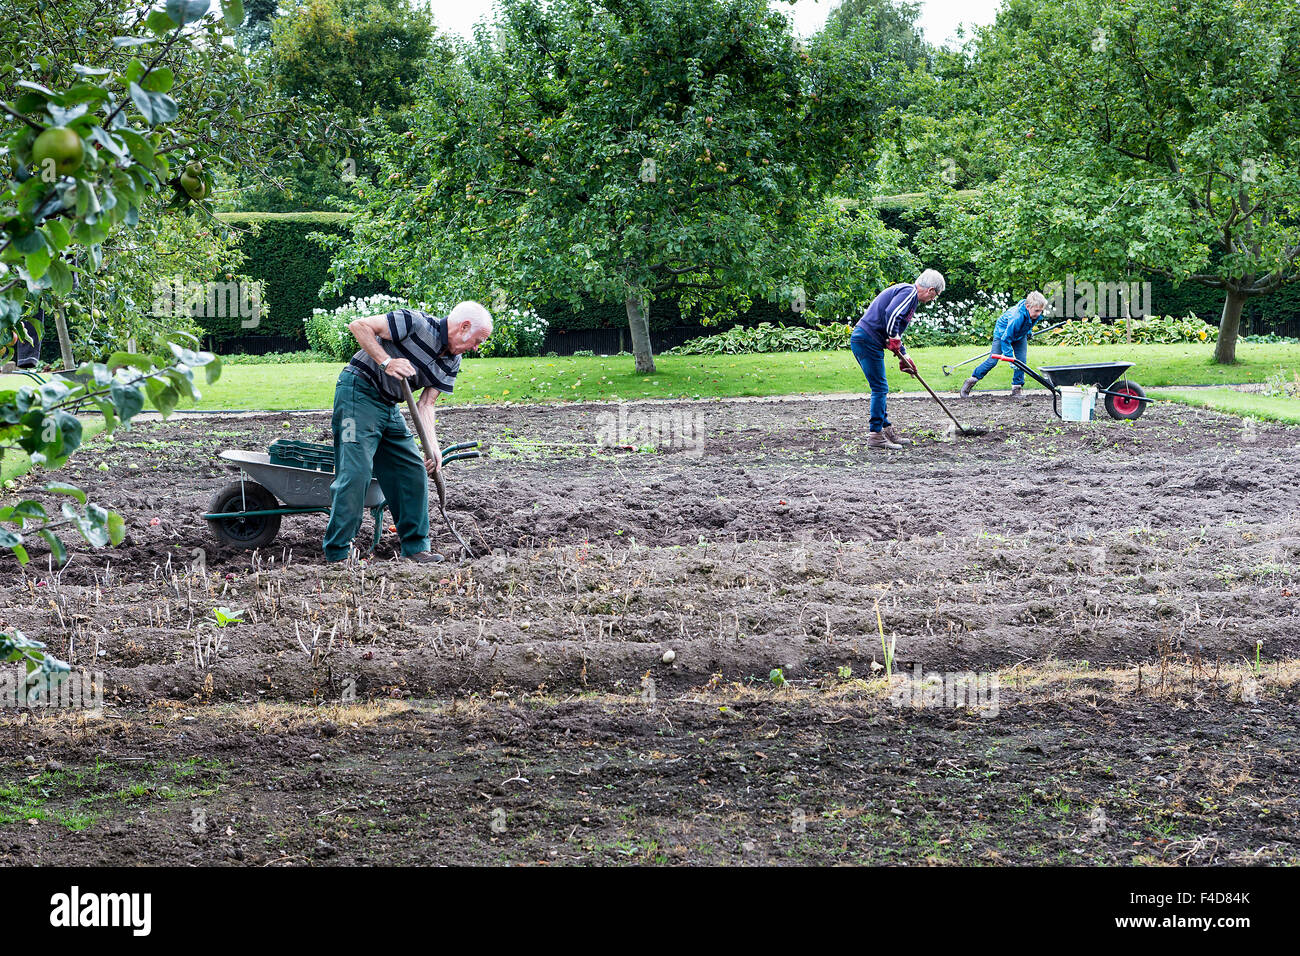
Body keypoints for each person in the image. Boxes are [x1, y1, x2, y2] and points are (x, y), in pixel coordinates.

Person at [323, 301, 492, 564]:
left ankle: (415, 549)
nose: (477, 347)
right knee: (355, 472)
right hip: (356, 394)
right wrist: (386, 361)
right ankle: (339, 553)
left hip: (388, 406)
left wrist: (433, 448)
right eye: (477, 340)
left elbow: (426, 404)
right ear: (464, 327)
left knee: (413, 470)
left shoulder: (452, 361)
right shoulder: (414, 322)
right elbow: (358, 326)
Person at [849, 269, 945, 450]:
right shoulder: (909, 292)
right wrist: (894, 339)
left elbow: (893, 327)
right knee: (880, 388)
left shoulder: (908, 296)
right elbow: (891, 315)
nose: (933, 299)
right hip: (867, 340)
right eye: (935, 296)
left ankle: (887, 430)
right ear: (931, 290)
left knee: (880, 387)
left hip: (867, 340)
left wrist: (904, 355)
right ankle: (876, 435)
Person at [959, 292, 1048, 398]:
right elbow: (1006, 339)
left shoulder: (1033, 313)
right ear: (1028, 306)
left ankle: (1017, 388)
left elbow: (1028, 323)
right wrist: (1010, 358)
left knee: (1021, 362)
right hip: (1002, 334)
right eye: (1036, 311)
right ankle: (970, 382)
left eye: (1040, 311)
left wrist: (1028, 332)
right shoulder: (1017, 317)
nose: (1038, 313)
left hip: (1019, 335)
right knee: (992, 361)